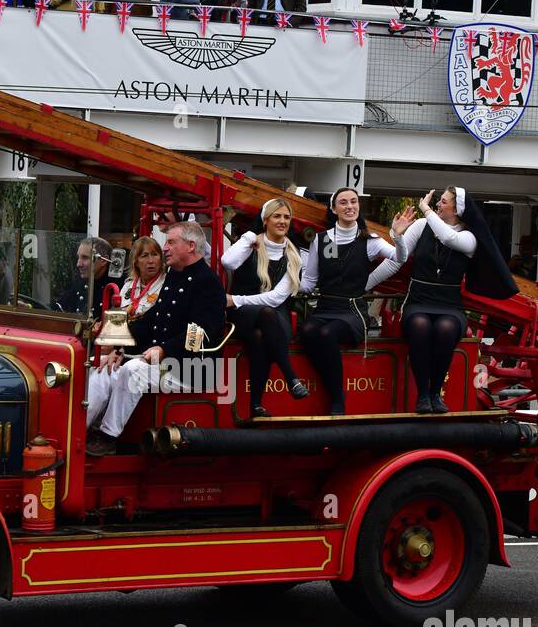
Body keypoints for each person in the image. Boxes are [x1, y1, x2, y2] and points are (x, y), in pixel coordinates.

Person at [86, 222, 225, 456]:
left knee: (132, 371)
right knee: (101, 365)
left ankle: (107, 437)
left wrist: (164, 350)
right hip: (164, 361)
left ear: (191, 246)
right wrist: (119, 347)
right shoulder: (174, 276)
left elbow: (199, 334)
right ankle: (79, 428)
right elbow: (152, 321)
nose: (166, 248)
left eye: (171, 242)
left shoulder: (207, 282)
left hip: (194, 367)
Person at [386, 188, 519, 414]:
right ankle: (422, 396)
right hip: (419, 300)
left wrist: (425, 209)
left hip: (449, 305)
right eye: (437, 201)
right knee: (420, 325)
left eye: (443, 202)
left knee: (446, 328)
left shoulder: (469, 238)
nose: (438, 204)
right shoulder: (421, 226)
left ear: (457, 210)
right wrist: (397, 236)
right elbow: (397, 258)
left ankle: (435, 393)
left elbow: (449, 238)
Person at [296, 188, 396, 416]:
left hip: (353, 311)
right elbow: (309, 282)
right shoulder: (321, 240)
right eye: (343, 202)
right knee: (308, 330)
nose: (350, 206)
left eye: (354, 201)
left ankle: (337, 397)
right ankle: (332, 386)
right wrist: (282, 283)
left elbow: (400, 258)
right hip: (326, 308)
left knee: (327, 333)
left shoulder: (371, 241)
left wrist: (398, 236)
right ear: (334, 209)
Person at [222, 199, 310, 417]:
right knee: (264, 318)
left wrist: (236, 299)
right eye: (276, 216)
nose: (282, 221)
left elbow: (276, 298)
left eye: (286, 217)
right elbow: (228, 262)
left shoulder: (293, 256)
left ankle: (256, 406)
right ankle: (291, 379)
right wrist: (250, 235)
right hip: (242, 316)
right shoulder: (252, 244)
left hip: (272, 314)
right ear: (265, 220)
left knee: (262, 332)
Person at [86, 237, 168, 431]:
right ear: (135, 262)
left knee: (105, 370)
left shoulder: (166, 285)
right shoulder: (129, 285)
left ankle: (86, 430)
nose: (151, 261)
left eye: (155, 255)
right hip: (124, 348)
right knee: (92, 364)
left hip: (145, 351)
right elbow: (116, 323)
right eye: (144, 256)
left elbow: (150, 327)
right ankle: (86, 426)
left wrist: (118, 349)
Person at [55, 237, 113, 318]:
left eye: (85, 258)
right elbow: (61, 307)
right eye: (78, 257)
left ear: (104, 260)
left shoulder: (117, 287)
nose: (78, 264)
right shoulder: (79, 281)